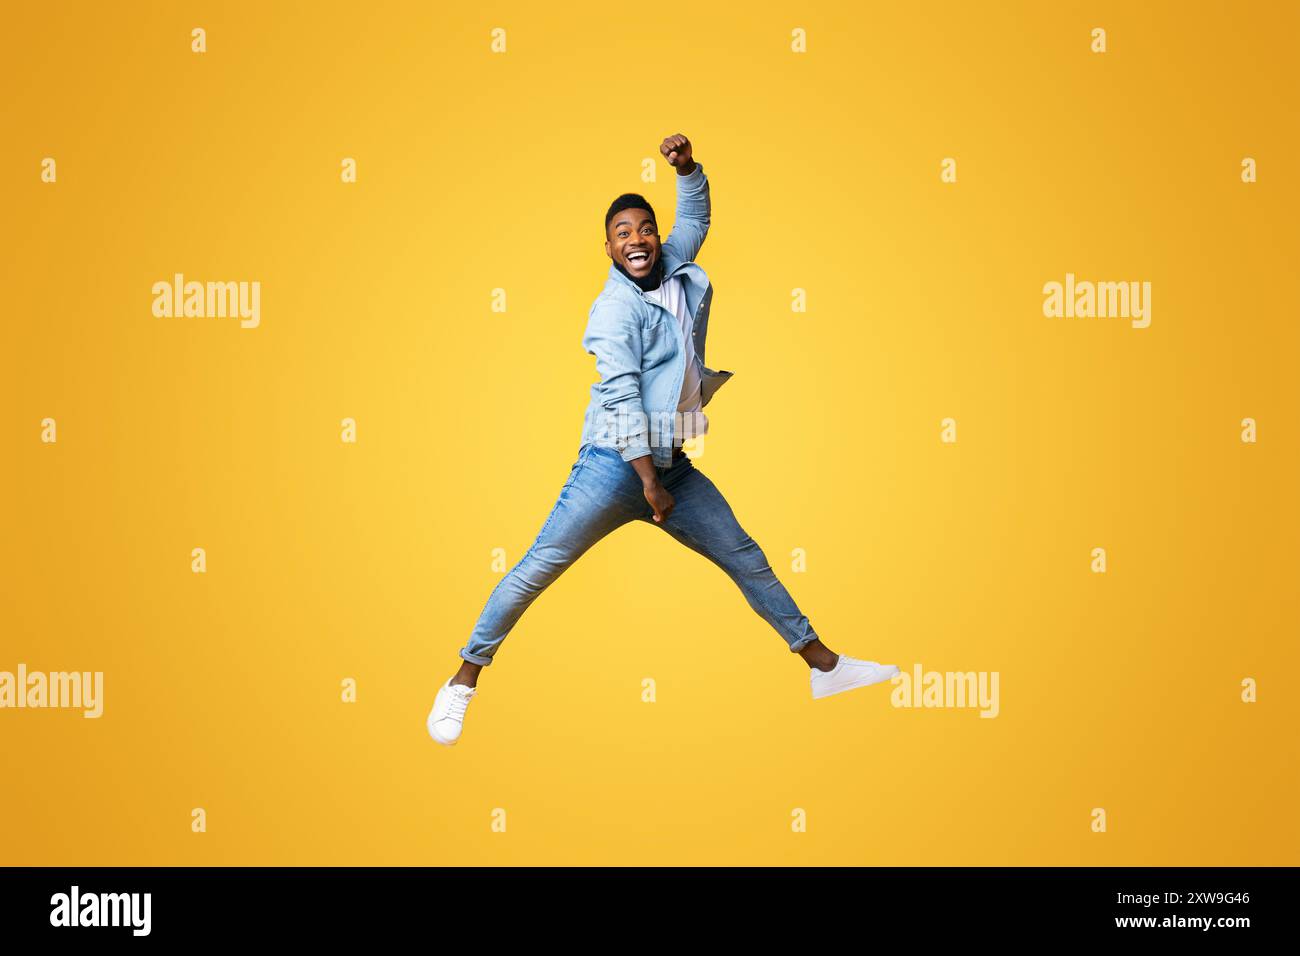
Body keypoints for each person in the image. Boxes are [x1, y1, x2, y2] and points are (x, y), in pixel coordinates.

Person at [428, 134, 899, 745]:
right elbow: (620, 399)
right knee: (538, 568)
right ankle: (461, 681)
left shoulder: (672, 263)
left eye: (644, 228)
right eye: (622, 233)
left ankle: (825, 668)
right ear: (608, 248)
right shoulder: (614, 311)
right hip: (615, 468)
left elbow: (696, 217)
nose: (637, 240)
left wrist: (688, 169)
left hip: (671, 465)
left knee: (744, 556)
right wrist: (649, 483)